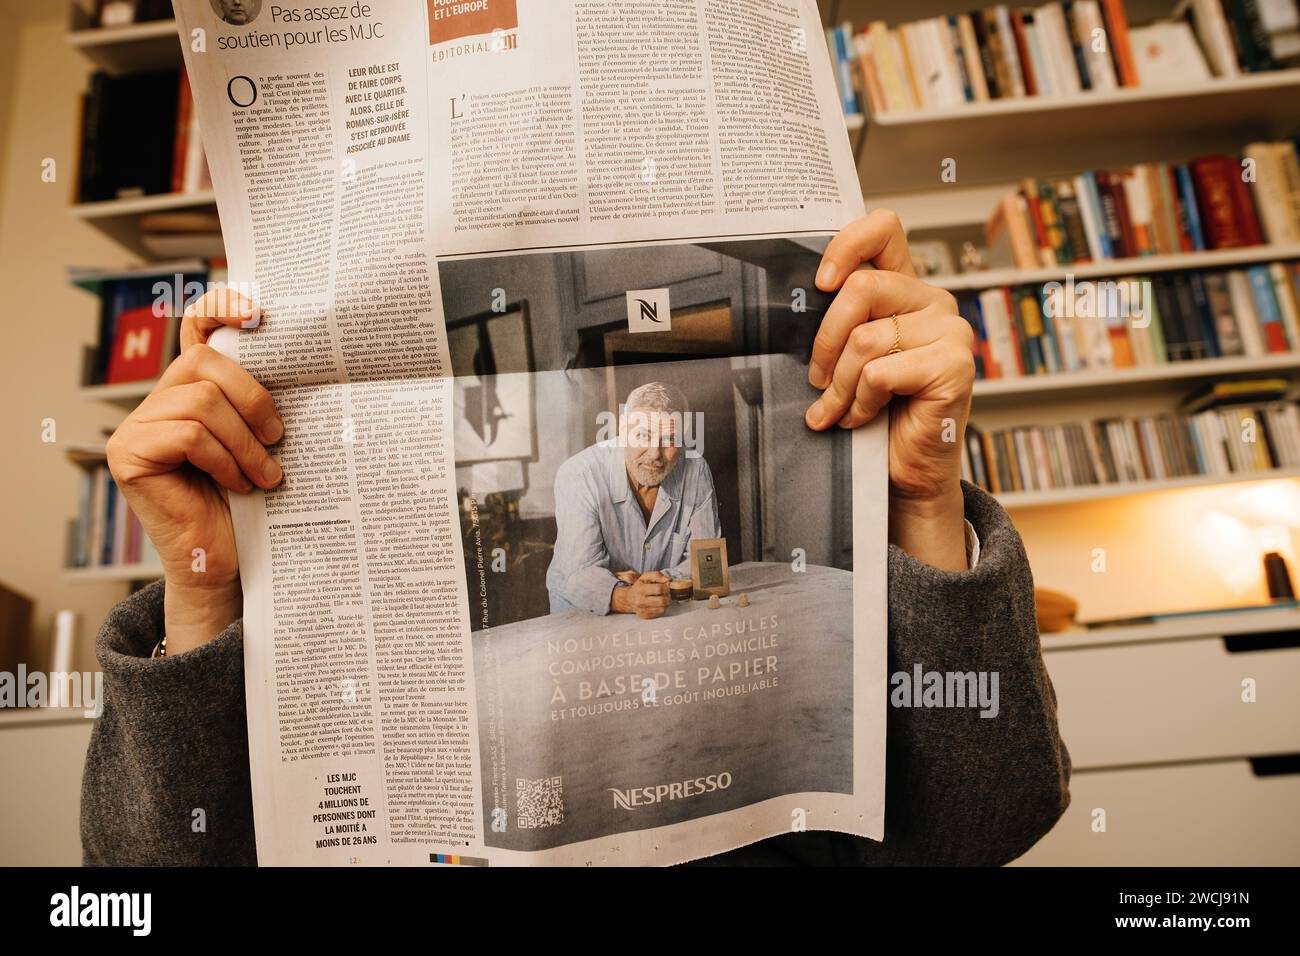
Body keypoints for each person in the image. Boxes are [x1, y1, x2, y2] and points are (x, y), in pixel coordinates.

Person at [82, 211, 1071, 866]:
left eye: (663, 449)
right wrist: (205, 582)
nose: (654, 463)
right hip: (586, 624)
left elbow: (994, 820)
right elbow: (574, 573)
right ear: (614, 439)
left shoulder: (688, 468)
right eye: (639, 449)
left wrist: (925, 504)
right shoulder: (581, 473)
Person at [546, 381, 721, 618]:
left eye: (669, 439)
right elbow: (579, 572)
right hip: (580, 616)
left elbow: (708, 567)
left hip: (660, 611)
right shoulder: (579, 473)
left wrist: (647, 585)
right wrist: (628, 596)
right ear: (622, 430)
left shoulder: (695, 469)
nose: (655, 454)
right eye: (643, 436)